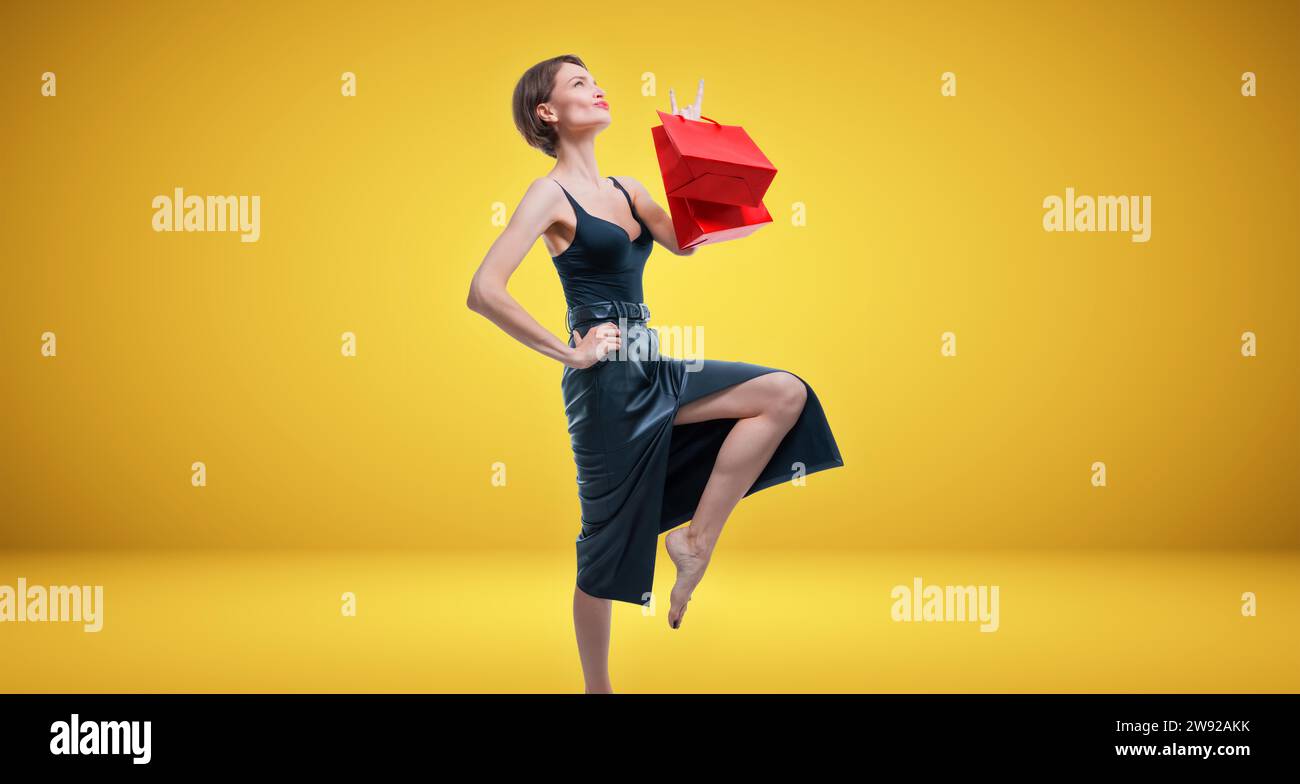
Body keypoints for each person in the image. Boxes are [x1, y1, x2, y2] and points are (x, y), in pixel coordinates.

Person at [467, 55, 844, 693]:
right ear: (547, 112)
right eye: (578, 83)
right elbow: (484, 290)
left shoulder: (628, 190)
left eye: (595, 78)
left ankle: (695, 541)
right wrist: (573, 352)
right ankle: (599, 690)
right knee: (603, 547)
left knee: (783, 393)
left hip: (655, 363)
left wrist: (691, 148)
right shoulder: (547, 195)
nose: (597, 88)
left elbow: (699, 237)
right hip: (606, 385)